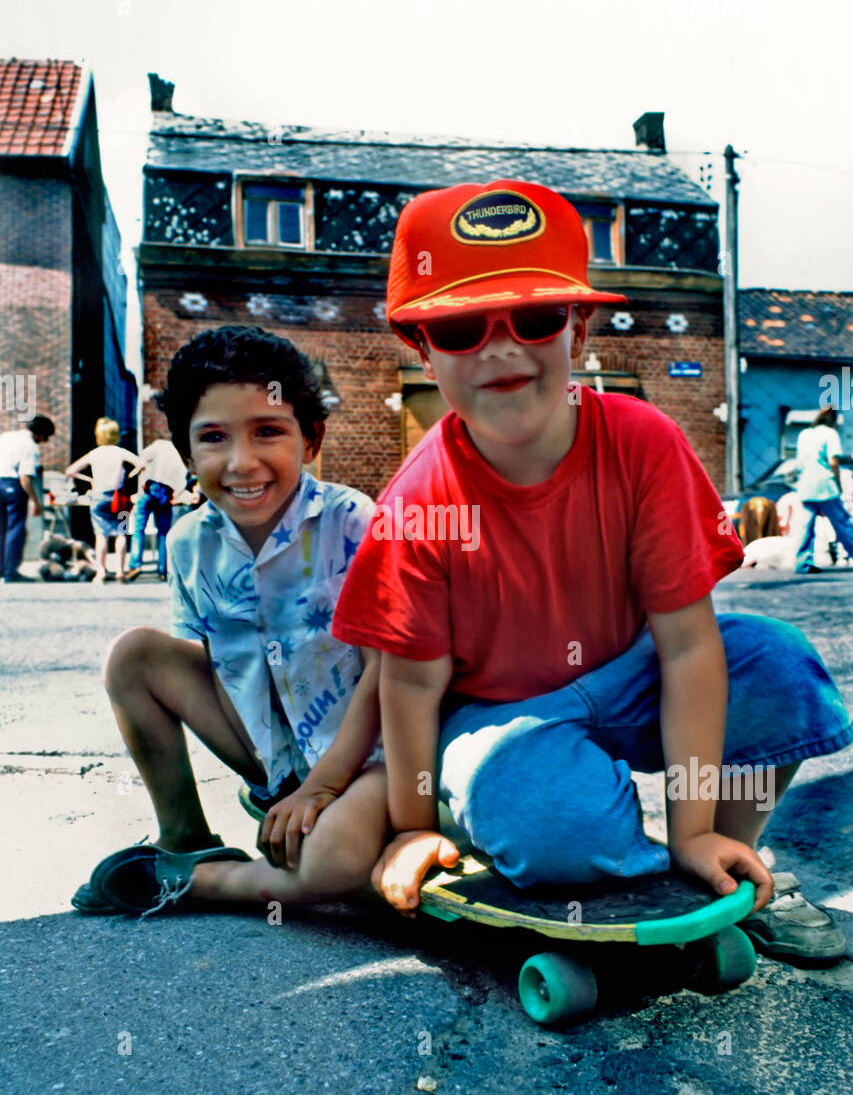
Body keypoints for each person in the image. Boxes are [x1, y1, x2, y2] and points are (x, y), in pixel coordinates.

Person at [331, 178, 853, 965]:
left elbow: (686, 648)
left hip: (628, 676)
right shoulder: (417, 499)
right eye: (463, 327)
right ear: (421, 347)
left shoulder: (643, 443)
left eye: (535, 318)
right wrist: (412, 829)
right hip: (499, 717)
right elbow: (408, 684)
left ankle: (726, 866)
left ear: (578, 331)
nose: (501, 347)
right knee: (554, 825)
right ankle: (579, 845)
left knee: (777, 668)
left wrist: (694, 826)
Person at [72, 325, 387, 918]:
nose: (242, 462)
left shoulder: (353, 523)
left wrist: (325, 786)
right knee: (133, 656)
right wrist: (282, 778)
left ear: (311, 439)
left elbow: (387, 674)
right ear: (188, 456)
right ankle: (187, 840)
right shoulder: (189, 542)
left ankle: (207, 885)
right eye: (213, 438)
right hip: (270, 758)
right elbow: (213, 660)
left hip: (363, 759)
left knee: (338, 865)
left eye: (268, 431)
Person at [65, 419, 138, 583]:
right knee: (121, 534)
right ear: (115, 435)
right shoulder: (120, 452)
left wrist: (89, 479)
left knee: (101, 535)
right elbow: (141, 464)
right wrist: (128, 477)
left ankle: (101, 572)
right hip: (119, 498)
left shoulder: (94, 453)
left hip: (98, 497)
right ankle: (120, 572)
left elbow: (70, 470)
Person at [793, 407, 853, 574]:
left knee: (805, 527)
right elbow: (834, 461)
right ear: (833, 420)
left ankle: (802, 563)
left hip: (806, 486)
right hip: (825, 485)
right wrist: (839, 483)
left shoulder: (804, 434)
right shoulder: (830, 434)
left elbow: (799, 462)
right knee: (842, 524)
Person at [123, 437, 189, 581]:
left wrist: (132, 476)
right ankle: (162, 570)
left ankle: (135, 565)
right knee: (164, 533)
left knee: (139, 529)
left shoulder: (155, 447)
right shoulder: (178, 452)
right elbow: (185, 477)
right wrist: (176, 494)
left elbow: (140, 464)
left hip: (150, 489)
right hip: (166, 492)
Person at [0, 414, 54, 582]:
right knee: (16, 529)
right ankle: (11, 573)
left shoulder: (6, 436)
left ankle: (1, 568)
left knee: (1, 528)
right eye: (45, 438)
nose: (44, 442)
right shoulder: (30, 446)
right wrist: (35, 500)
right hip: (14, 485)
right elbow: (25, 477)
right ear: (40, 434)